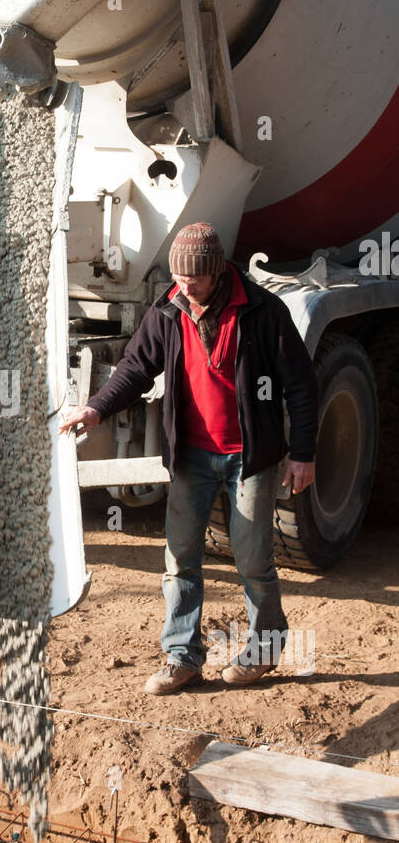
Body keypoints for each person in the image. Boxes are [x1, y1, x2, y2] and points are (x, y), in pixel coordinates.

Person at [61, 222, 318, 695]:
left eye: (194, 279)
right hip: (192, 458)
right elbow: (137, 367)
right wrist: (96, 407)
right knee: (180, 559)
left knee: (252, 558)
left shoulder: (264, 312)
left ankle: (264, 646)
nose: (185, 287)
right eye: (179, 279)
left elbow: (301, 386)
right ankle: (182, 657)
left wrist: (303, 453)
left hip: (251, 457)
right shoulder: (168, 311)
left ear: (218, 271)